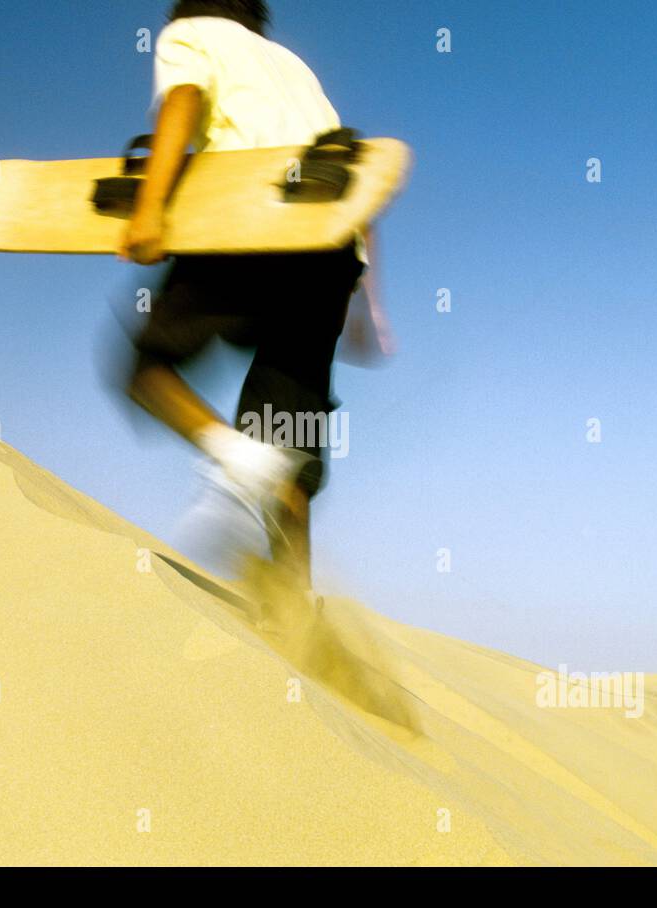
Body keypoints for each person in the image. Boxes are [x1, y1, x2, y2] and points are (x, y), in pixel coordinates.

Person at [119, 0, 389, 592]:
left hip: (250, 222)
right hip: (330, 254)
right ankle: (294, 606)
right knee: (285, 429)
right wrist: (368, 302)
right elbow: (357, 175)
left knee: (144, 370)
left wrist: (150, 211)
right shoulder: (294, 68)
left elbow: (183, 102)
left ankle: (239, 462)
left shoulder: (190, 35)